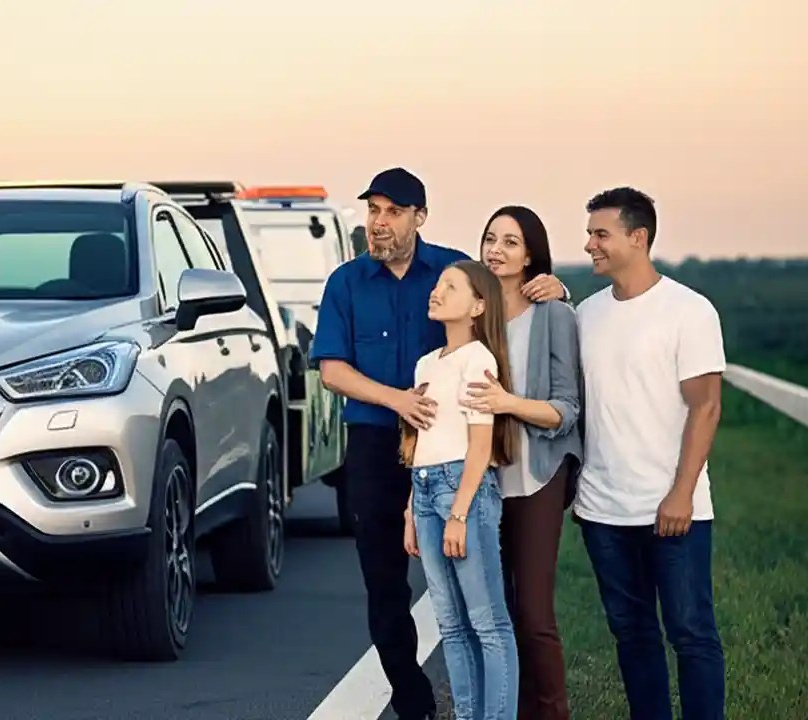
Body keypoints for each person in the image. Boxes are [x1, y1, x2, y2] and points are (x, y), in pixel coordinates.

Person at [309, 168, 567, 720]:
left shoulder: (449, 274)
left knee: (480, 597)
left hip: (453, 451)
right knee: (385, 588)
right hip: (379, 445)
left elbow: (508, 294)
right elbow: (332, 370)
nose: (379, 222)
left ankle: (509, 707)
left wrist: (556, 285)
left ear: (418, 217)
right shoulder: (346, 283)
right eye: (373, 210)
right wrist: (396, 400)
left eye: (392, 212)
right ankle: (415, 704)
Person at [573, 187, 726, 720]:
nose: (589, 243)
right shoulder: (585, 315)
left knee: (691, 633)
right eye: (589, 233)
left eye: (600, 234)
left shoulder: (689, 310)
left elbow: (706, 406)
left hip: (672, 509)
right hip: (601, 509)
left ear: (638, 238)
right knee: (632, 634)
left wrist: (681, 493)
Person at [462, 206, 582, 720]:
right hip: (481, 479)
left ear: (531, 253)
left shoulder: (554, 313)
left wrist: (507, 402)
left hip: (537, 476)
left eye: (511, 242)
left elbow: (566, 411)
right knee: (494, 615)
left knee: (533, 614)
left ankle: (551, 712)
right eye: (491, 239)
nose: (497, 250)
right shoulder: (473, 313)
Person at [402, 259, 519, 720]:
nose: (437, 291)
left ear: (477, 305)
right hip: (426, 488)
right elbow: (419, 442)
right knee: (450, 624)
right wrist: (413, 509)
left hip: (461, 492)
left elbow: (479, 446)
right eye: (437, 284)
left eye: (450, 286)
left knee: (488, 623)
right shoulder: (426, 364)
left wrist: (459, 514)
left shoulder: (479, 360)